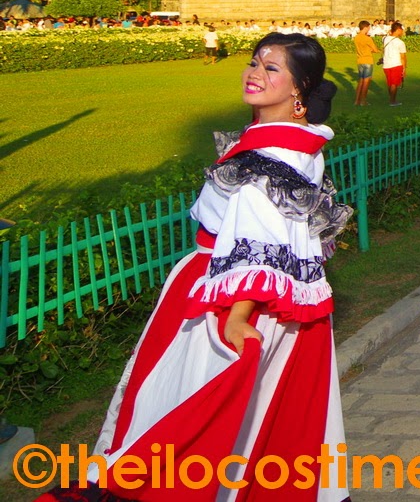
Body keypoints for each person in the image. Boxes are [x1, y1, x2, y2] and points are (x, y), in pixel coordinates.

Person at [57, 33, 350, 501]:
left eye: (272, 69)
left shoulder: (267, 159)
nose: (255, 73)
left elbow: (263, 241)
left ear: (300, 90)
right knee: (258, 414)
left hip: (227, 293)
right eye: (255, 62)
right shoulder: (297, 145)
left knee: (183, 406)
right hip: (256, 293)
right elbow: (299, 236)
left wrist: (235, 317)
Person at [353, 19, 379, 106]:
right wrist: (373, 50)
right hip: (367, 60)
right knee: (366, 82)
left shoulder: (356, 37)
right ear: (366, 27)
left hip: (360, 60)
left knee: (360, 81)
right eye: (369, 28)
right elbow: (375, 50)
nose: (369, 29)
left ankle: (357, 100)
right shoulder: (367, 38)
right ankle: (363, 101)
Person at [382, 21, 407, 107]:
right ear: (398, 30)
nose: (402, 32)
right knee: (394, 84)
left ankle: (391, 99)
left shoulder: (385, 39)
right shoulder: (400, 42)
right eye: (401, 30)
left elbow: (386, 36)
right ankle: (392, 101)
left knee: (390, 83)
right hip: (396, 64)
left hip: (386, 64)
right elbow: (403, 57)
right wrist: (404, 68)